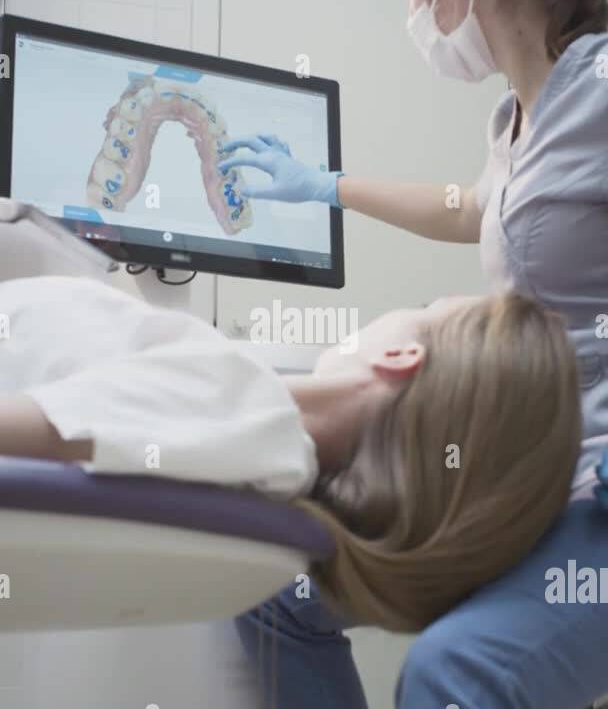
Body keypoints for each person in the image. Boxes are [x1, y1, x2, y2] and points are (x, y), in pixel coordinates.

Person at [230, 0, 608, 709]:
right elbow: (474, 209)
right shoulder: (519, 115)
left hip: (595, 508)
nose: (414, 13)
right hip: (528, 486)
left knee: (457, 674)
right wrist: (326, 185)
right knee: (274, 586)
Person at [0, 265, 580, 631]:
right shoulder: (266, 434)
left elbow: (32, 430)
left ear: (401, 355)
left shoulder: (243, 409)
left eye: (425, 310)